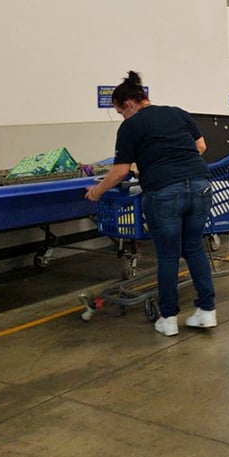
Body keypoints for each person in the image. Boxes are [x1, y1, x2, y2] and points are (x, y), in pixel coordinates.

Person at [85, 71, 216, 337]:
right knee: (194, 248)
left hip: (165, 192)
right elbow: (200, 147)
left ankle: (168, 319)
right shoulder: (177, 113)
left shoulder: (130, 126)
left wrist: (97, 191)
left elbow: (120, 171)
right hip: (200, 184)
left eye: (121, 112)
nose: (122, 117)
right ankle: (206, 312)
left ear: (129, 104)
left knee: (168, 255)